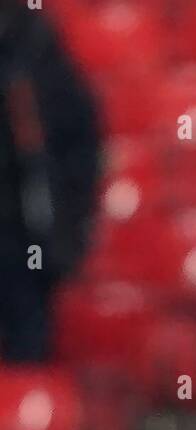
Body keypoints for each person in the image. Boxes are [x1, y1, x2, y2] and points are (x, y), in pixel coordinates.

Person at [0, 1, 101, 361]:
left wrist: (65, 228)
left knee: (28, 357)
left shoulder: (28, 39)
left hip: (23, 241)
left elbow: (78, 135)